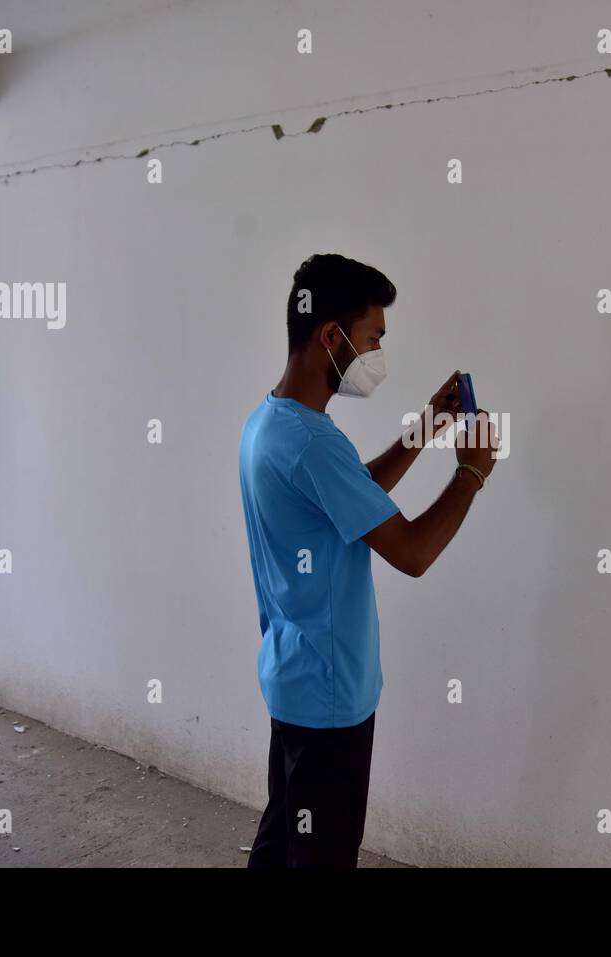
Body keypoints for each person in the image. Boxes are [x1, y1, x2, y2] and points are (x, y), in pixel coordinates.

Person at [239, 253, 497, 867]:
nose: (377, 355)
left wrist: (425, 429)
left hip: (293, 677)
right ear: (331, 336)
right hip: (331, 698)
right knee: (321, 855)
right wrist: (470, 473)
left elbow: (352, 498)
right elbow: (410, 552)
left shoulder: (272, 423)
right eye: (372, 338)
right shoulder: (313, 442)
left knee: (283, 843)